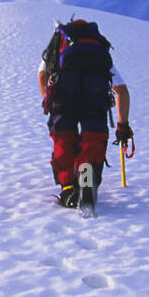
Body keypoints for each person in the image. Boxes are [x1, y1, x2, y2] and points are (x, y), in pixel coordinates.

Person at [38, 17, 133, 207]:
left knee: (63, 138)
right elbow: (122, 91)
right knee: (93, 137)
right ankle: (86, 178)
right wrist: (123, 125)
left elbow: (42, 75)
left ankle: (68, 189)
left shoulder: (59, 44)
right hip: (95, 96)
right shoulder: (99, 51)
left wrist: (49, 100)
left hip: (64, 96)